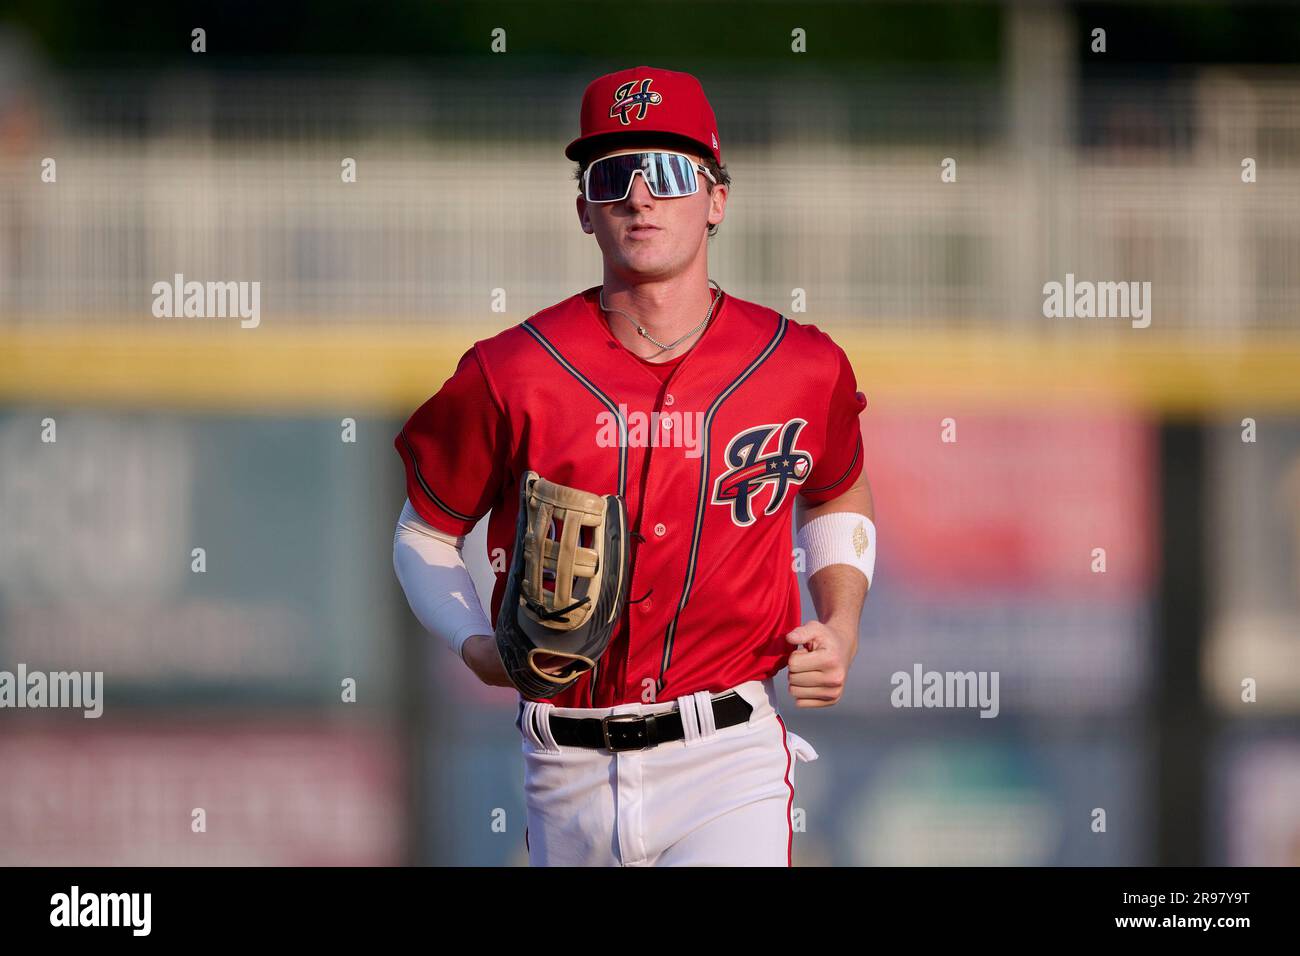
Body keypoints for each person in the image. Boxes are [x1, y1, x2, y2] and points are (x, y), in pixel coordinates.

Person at [393, 66, 875, 866]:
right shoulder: (512, 370)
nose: (641, 196)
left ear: (716, 198)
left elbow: (835, 490)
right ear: (584, 208)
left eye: (671, 171)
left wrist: (844, 623)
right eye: (613, 175)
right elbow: (425, 533)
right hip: (561, 767)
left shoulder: (801, 364)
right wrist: (472, 641)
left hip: (727, 757)